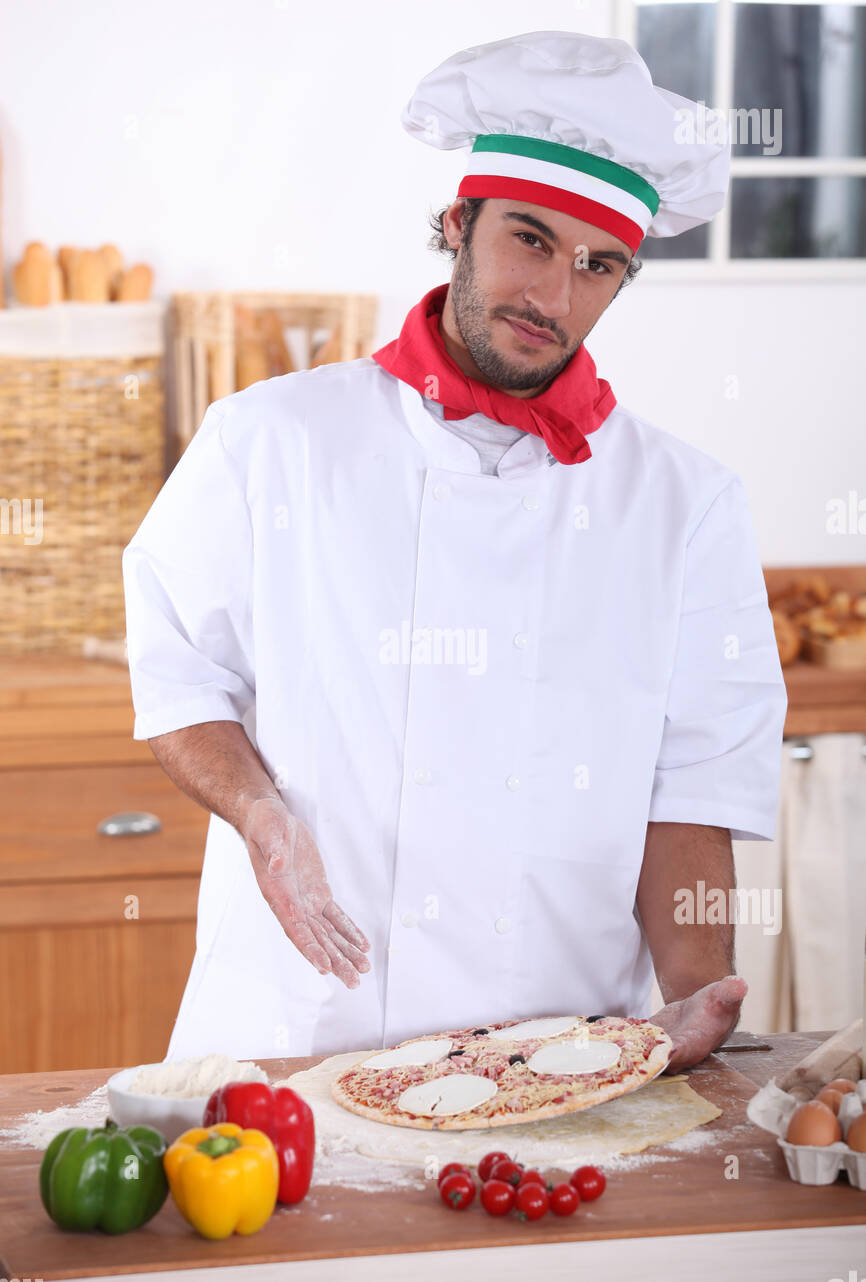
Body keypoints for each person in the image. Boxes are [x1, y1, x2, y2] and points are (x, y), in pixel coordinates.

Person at [122, 31, 787, 1072]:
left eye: (596, 264)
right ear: (457, 222)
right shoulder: (269, 441)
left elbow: (691, 788)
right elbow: (179, 677)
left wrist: (695, 1001)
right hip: (296, 1041)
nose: (553, 296)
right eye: (529, 239)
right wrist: (257, 811)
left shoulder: (684, 503)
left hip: (558, 1056)